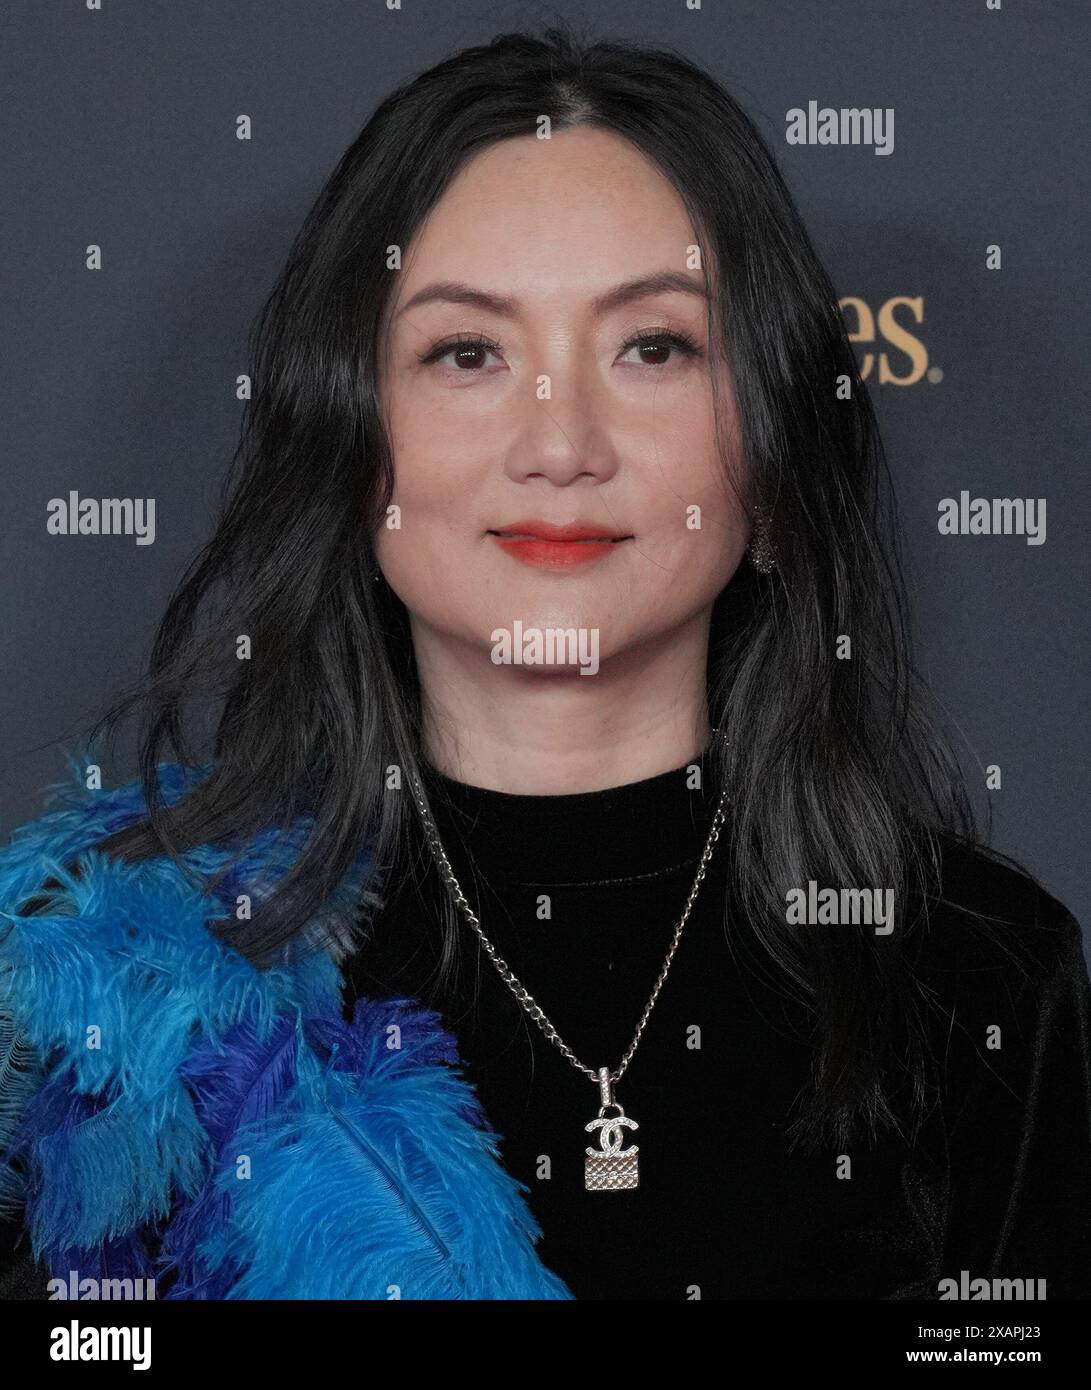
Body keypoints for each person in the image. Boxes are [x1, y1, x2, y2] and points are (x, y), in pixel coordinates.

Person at [1, 25, 1088, 1301]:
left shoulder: (974, 972)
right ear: (350, 443)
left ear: (776, 461)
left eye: (652, 347)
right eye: (468, 353)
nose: (560, 442)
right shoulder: (117, 978)